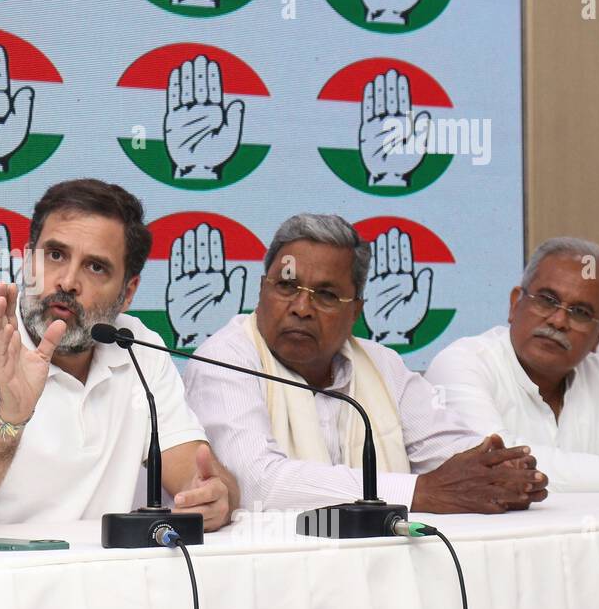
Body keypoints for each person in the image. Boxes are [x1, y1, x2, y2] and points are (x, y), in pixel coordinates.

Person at [0, 178, 238, 530]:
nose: (67, 281)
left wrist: (218, 497)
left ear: (127, 293)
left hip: (91, 579)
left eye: (95, 267)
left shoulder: (138, 349)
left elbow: (199, 478)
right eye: (55, 255)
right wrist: (8, 418)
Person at [182, 213, 548, 513]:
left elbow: (451, 456)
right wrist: (417, 493)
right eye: (286, 286)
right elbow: (257, 483)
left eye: (325, 295)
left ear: (355, 310)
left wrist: (501, 473)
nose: (301, 308)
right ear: (262, 289)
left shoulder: (381, 365)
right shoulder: (225, 360)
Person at [427, 237, 599, 492]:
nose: (559, 321)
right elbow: (498, 466)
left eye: (581, 312)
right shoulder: (462, 363)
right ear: (515, 303)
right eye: (547, 300)